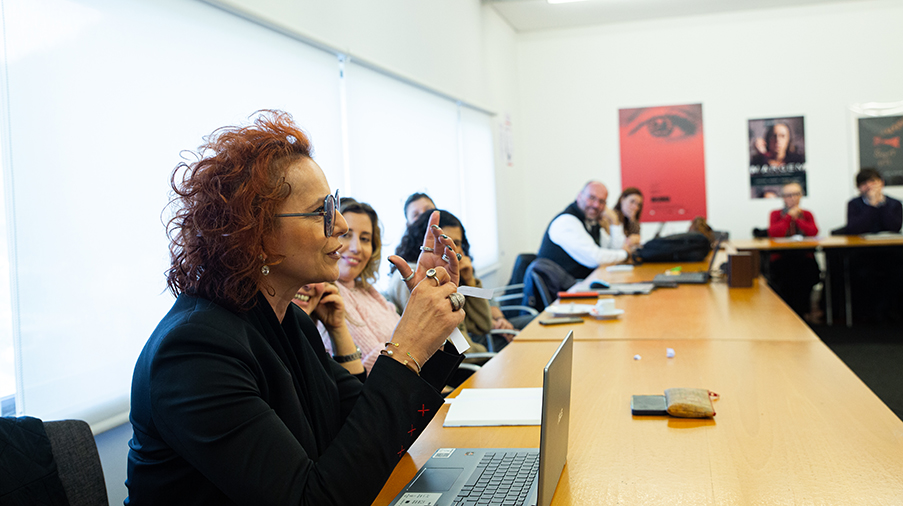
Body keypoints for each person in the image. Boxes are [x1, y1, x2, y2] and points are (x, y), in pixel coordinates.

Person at [127, 110, 466, 505]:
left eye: (333, 206)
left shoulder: (291, 322)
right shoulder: (193, 353)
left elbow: (363, 428)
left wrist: (431, 329)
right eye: (321, 211)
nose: (340, 225)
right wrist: (405, 348)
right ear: (253, 233)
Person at [388, 211, 517, 348]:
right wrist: (484, 354)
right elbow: (454, 346)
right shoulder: (413, 277)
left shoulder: (449, 271)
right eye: (447, 243)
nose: (456, 250)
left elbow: (483, 324)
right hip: (460, 363)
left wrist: (470, 281)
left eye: (458, 243)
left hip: (471, 354)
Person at [536, 181, 634, 279]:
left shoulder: (590, 223)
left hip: (582, 285)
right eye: (592, 198)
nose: (596, 205)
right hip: (565, 290)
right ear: (579, 196)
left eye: (601, 201)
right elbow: (595, 259)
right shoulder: (566, 222)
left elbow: (614, 250)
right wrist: (625, 254)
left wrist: (614, 222)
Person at [766, 182, 821, 317]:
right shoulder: (775, 214)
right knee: (786, 274)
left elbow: (813, 232)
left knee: (807, 271)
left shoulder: (807, 214)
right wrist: (789, 216)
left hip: (804, 256)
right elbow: (774, 233)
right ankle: (787, 314)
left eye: (796, 194)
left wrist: (798, 219)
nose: (793, 198)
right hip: (782, 257)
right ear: (783, 197)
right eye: (788, 195)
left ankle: (804, 313)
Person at [845, 168, 903, 234]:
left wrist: (881, 203)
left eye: (872, 181)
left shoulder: (895, 203)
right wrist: (871, 204)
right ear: (859, 188)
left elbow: (895, 228)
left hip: (888, 242)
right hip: (862, 243)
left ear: (881, 183)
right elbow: (853, 229)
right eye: (864, 183)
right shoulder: (853, 204)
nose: (869, 186)